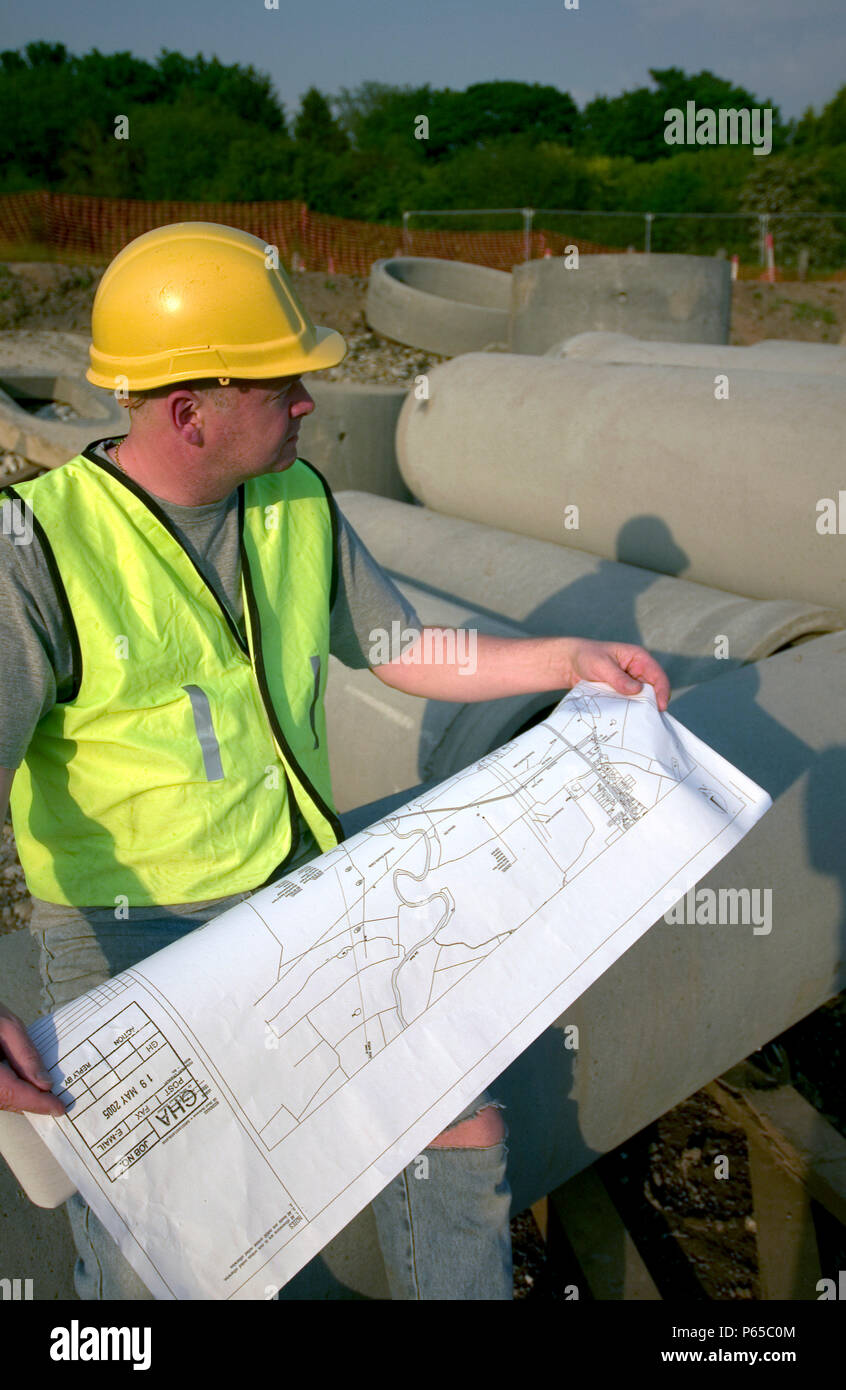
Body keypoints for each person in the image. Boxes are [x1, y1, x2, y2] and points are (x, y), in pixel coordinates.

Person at [0, 221, 670, 1300]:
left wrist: (565, 654)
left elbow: (402, 649)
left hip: (296, 890)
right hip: (130, 933)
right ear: (190, 410)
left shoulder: (294, 502)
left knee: (459, 1123)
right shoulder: (35, 549)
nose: (312, 402)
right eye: (285, 385)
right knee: (158, 1233)